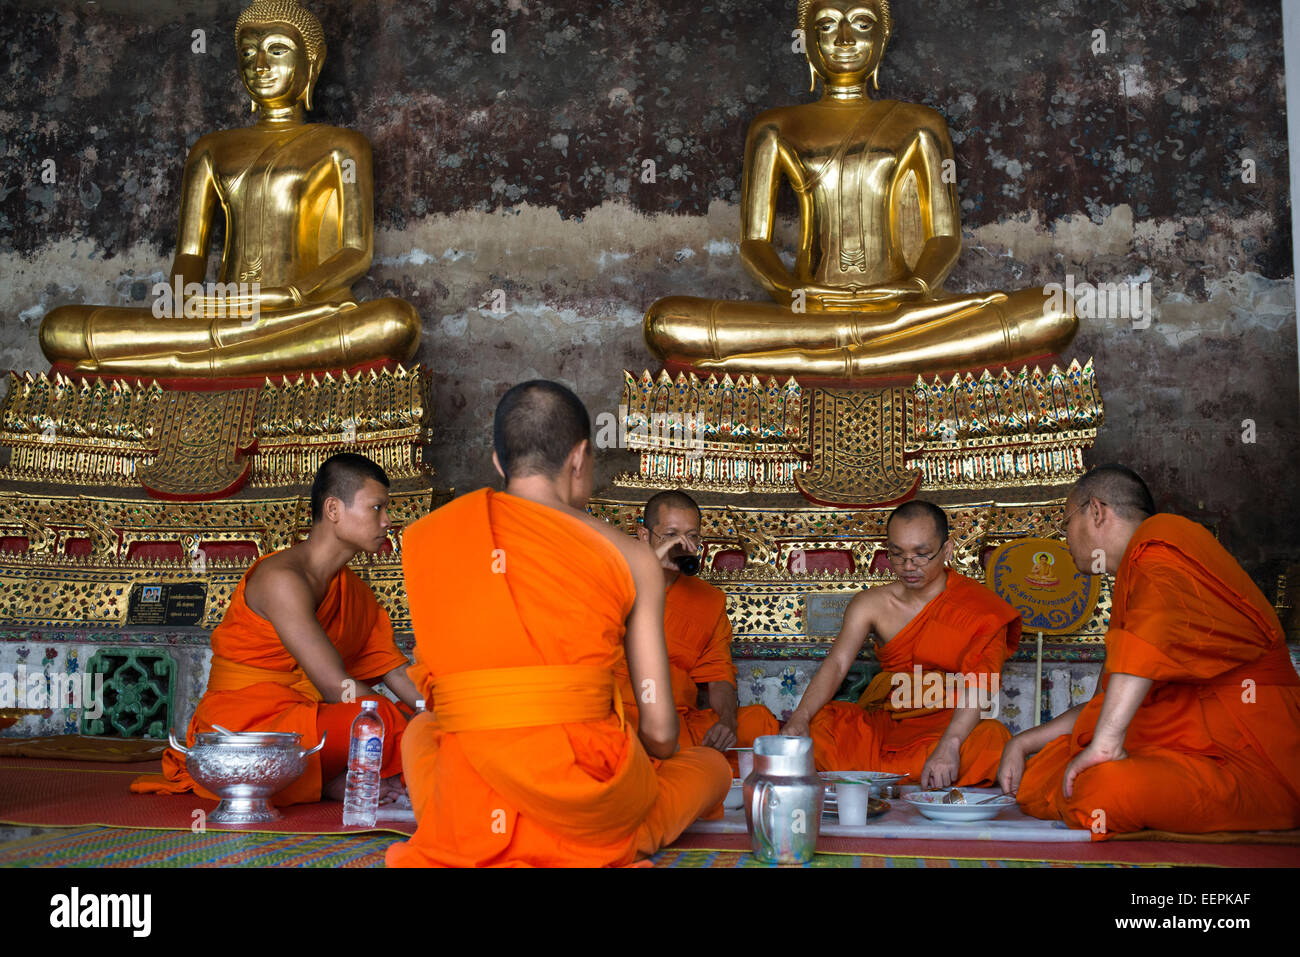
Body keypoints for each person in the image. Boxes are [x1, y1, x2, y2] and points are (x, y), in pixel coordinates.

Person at [387, 381, 731, 867]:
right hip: (588, 807)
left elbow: (442, 688)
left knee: (423, 731)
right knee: (711, 766)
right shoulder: (632, 558)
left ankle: (467, 831)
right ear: (579, 457)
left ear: (499, 463)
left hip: (472, 794)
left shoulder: (434, 539)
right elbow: (660, 734)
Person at [1003, 465, 1300, 837]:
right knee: (1048, 770)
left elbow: (1155, 626)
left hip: (1244, 756)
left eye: (1065, 524)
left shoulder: (1164, 537)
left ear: (1096, 511)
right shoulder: (1137, 576)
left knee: (1101, 790)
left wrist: (1107, 744)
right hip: (1184, 751)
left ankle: (1265, 810)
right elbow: (1104, 704)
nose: (1064, 540)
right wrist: (1022, 741)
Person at [132, 453, 418, 805]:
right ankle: (347, 778)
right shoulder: (282, 580)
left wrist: (435, 712)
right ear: (333, 510)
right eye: (377, 508)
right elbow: (336, 686)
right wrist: (403, 725)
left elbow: (394, 669)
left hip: (304, 718)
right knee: (386, 722)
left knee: (408, 720)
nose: (387, 521)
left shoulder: (353, 591)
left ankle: (331, 780)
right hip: (244, 727)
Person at [782, 500, 1020, 787]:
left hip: (949, 726)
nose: (908, 566)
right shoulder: (871, 604)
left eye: (921, 555)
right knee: (820, 726)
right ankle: (901, 775)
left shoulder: (980, 609)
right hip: (888, 726)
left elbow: (981, 684)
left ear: (946, 549)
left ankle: (878, 777)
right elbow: (837, 664)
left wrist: (950, 746)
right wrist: (800, 717)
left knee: (991, 741)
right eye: (897, 554)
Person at [617, 490, 779, 768]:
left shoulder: (708, 600)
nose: (682, 545)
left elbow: (719, 677)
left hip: (678, 722)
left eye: (692, 537)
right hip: (618, 715)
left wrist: (727, 722)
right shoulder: (614, 577)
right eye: (671, 535)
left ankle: (682, 767)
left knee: (759, 723)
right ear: (644, 537)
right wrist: (645, 572)